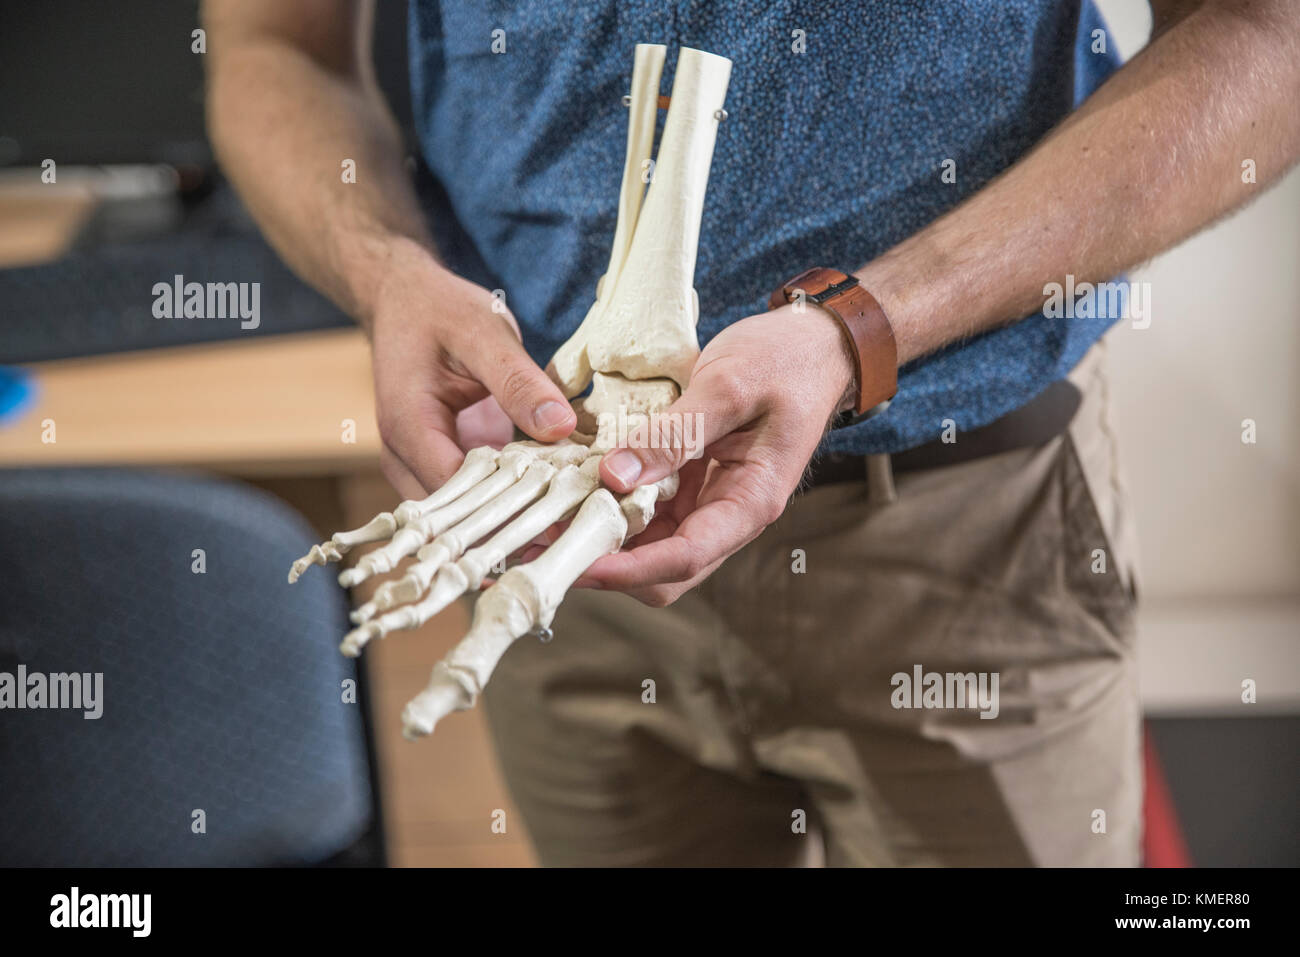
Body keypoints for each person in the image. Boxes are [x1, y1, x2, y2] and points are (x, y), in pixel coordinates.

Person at [204, 0, 1300, 865]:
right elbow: (272, 42)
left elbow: (1265, 32)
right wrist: (383, 267)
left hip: (965, 524)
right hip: (556, 537)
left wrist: (861, 328)